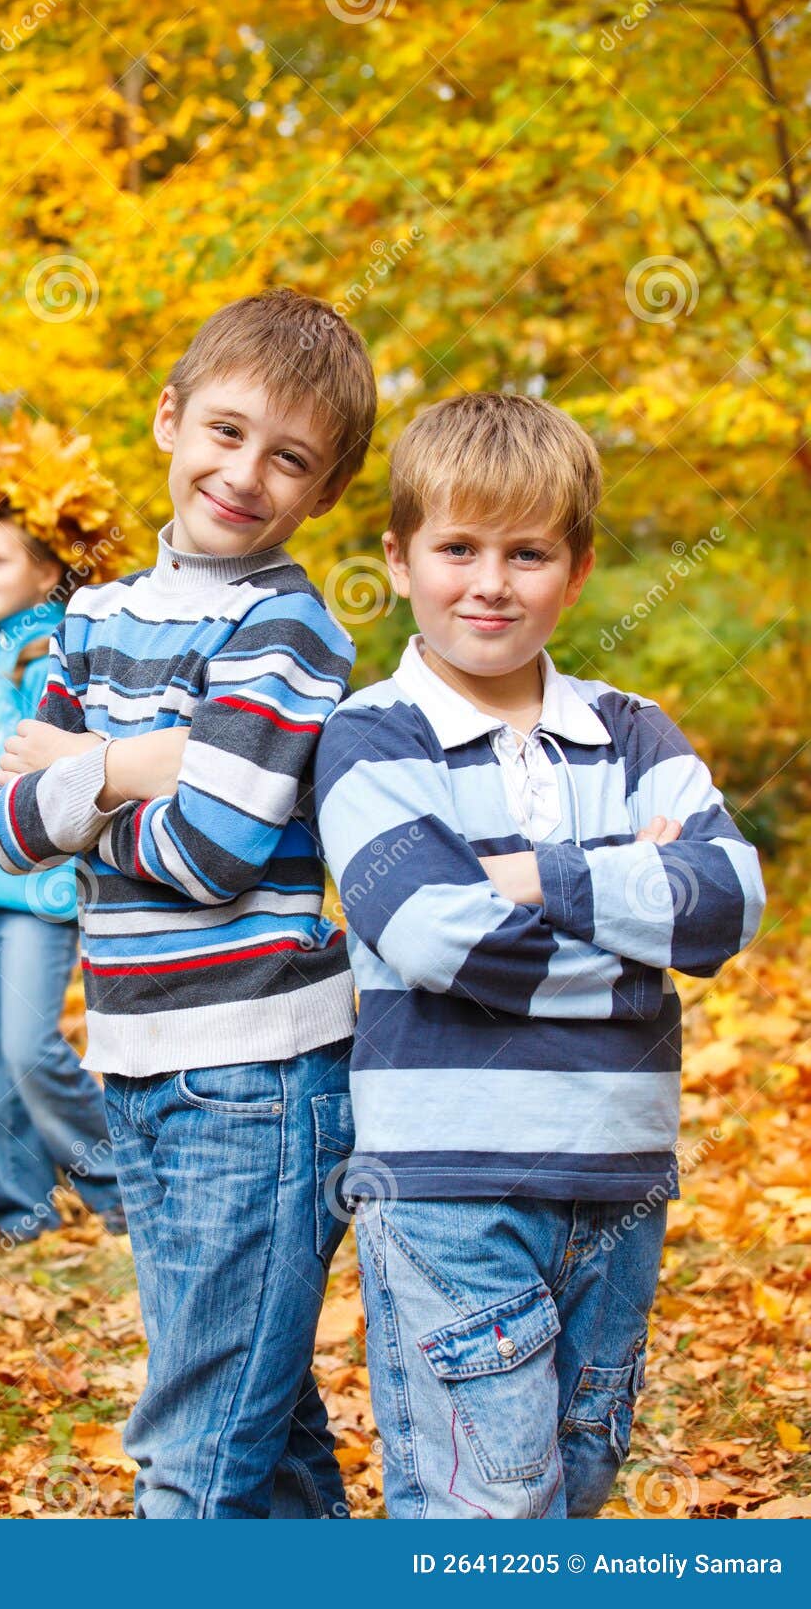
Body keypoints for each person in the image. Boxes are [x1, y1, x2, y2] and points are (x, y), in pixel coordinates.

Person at [314, 391, 766, 1519]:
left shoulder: (631, 729)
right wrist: (631, 928)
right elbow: (428, 933)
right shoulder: (374, 734)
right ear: (398, 555)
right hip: (447, 1190)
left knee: (577, 1486)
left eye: (525, 553)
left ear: (573, 569)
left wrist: (537, 876)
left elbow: (728, 899)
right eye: (456, 547)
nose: (489, 583)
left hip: (615, 1179)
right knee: (490, 1508)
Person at [0, 288, 378, 1517]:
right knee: (262, 1414)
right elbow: (1, 830)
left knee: (193, 1452)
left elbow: (212, 846)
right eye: (223, 430)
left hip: (256, 1071)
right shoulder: (89, 617)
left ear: (322, 488)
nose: (244, 472)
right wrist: (157, 761)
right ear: (167, 420)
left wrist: (86, 768)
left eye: (288, 457)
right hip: (140, 1061)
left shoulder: (289, 625)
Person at [0, 509, 125, 1241]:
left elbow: (49, 753)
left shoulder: (51, 644)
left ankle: (118, 1185)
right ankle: (24, 1209)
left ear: (47, 573)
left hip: (32, 884)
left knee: (27, 1045)